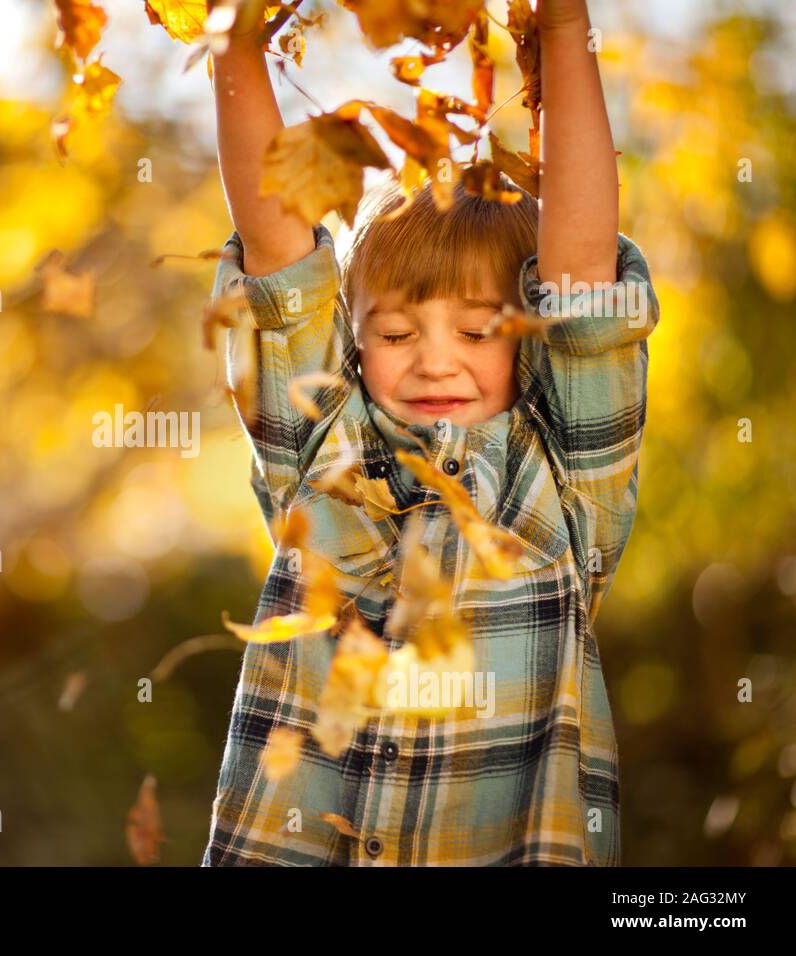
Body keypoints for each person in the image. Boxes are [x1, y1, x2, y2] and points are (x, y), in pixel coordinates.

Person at [203, 0, 659, 865]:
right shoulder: (322, 453)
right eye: (399, 334)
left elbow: (587, 281)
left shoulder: (565, 485)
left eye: (479, 333)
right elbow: (277, 259)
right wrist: (232, 34)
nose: (434, 363)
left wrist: (561, 32)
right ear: (356, 337)